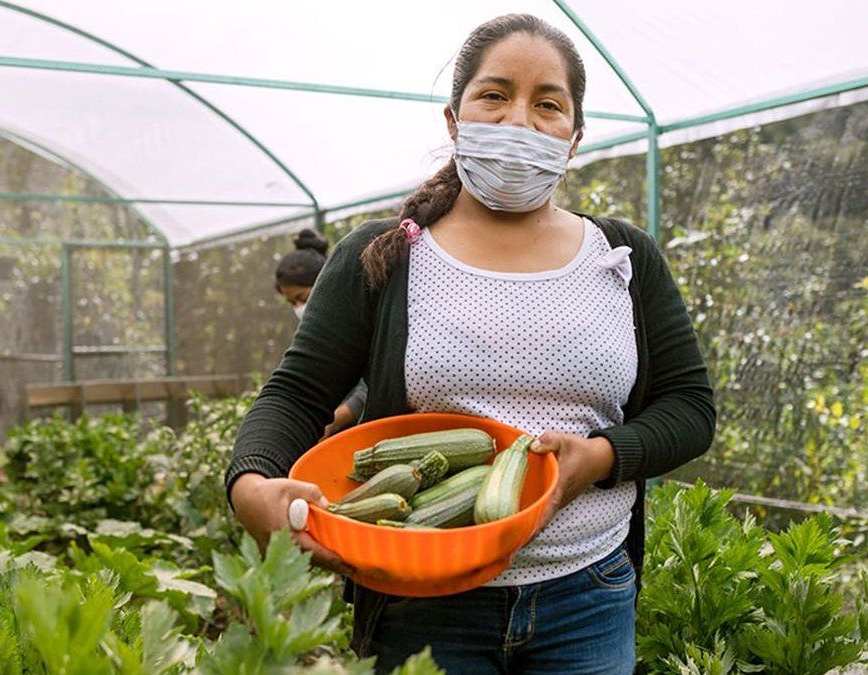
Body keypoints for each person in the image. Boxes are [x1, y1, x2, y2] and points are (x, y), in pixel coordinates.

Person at [227, 13, 715, 673]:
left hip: (587, 596)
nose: (520, 120)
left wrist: (599, 457)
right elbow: (296, 393)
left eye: (548, 103)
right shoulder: (385, 255)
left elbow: (689, 406)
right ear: (455, 120)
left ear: (573, 137)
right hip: (421, 598)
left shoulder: (623, 257)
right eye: (495, 95)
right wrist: (251, 484)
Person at [274, 228, 367, 438]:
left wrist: (330, 424)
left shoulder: (358, 320)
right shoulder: (313, 335)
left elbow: (367, 389)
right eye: (292, 303)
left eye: (303, 298)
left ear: (325, 285)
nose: (299, 307)